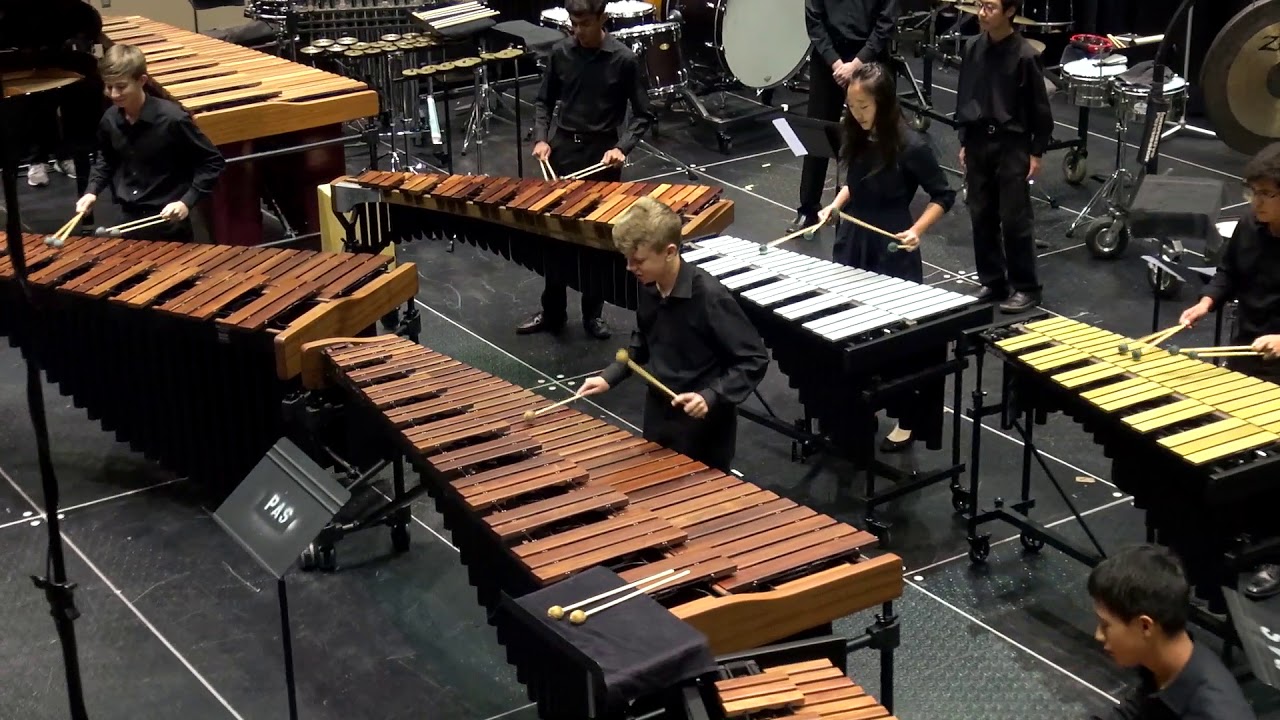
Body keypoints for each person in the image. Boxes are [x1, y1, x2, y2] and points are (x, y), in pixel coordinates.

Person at [816, 62, 954, 452]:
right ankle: (859, 405)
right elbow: (854, 186)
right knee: (850, 327)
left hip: (891, 246)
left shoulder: (912, 146)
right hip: (852, 239)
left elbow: (944, 196)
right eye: (851, 107)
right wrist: (834, 205)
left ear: (884, 103)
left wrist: (917, 230)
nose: (856, 115)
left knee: (894, 336)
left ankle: (907, 417)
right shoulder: (854, 134)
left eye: (863, 107)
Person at [577, 197, 768, 472]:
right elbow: (642, 340)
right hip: (658, 414)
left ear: (669, 251)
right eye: (627, 260)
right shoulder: (649, 285)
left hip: (702, 426)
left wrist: (711, 396)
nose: (630, 268)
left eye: (638, 260)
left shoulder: (709, 298)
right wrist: (611, 375)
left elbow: (753, 358)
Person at [1179, 142, 1280, 601]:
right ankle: (1233, 534)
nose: (1255, 201)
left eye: (1265, 194)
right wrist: (1205, 301)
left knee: (1275, 462)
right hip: (1244, 352)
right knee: (1235, 452)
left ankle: (1273, 553)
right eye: (1252, 191)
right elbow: (1227, 274)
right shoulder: (1248, 227)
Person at [519, 0, 655, 340]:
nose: (577, 31)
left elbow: (642, 113)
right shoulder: (560, 53)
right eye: (573, 24)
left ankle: (593, 315)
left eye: (584, 24)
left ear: (602, 19)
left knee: (595, 238)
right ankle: (553, 313)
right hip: (562, 150)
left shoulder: (623, 59)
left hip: (601, 155)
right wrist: (541, 138)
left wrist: (621, 148)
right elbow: (543, 102)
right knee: (554, 234)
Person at [955, 0, 1054, 314]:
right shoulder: (972, 47)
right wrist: (964, 140)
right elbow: (967, 95)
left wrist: (1036, 151)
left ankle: (1026, 287)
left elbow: (1040, 108)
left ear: (1010, 12)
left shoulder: (1025, 55)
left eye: (991, 7)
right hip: (978, 140)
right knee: (980, 213)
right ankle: (993, 280)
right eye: (981, 5)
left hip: (1012, 144)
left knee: (1014, 219)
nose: (983, 13)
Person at [1087, 545, 1256, 720]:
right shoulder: (1162, 663)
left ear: (1145, 626)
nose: (1098, 635)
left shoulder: (1215, 713)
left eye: (1105, 624)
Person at [76, 44, 224, 241]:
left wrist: (186, 202)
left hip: (168, 221)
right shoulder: (110, 119)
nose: (113, 94)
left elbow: (212, 162)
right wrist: (91, 191)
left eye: (121, 87)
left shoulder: (173, 119)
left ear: (142, 80)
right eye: (108, 86)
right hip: (127, 219)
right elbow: (106, 159)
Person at [791, 0, 900, 233]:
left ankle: (866, 207)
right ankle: (808, 208)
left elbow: (886, 22)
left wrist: (857, 64)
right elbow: (814, 20)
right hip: (830, 60)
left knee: (872, 136)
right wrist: (836, 63)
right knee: (817, 133)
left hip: (869, 60)